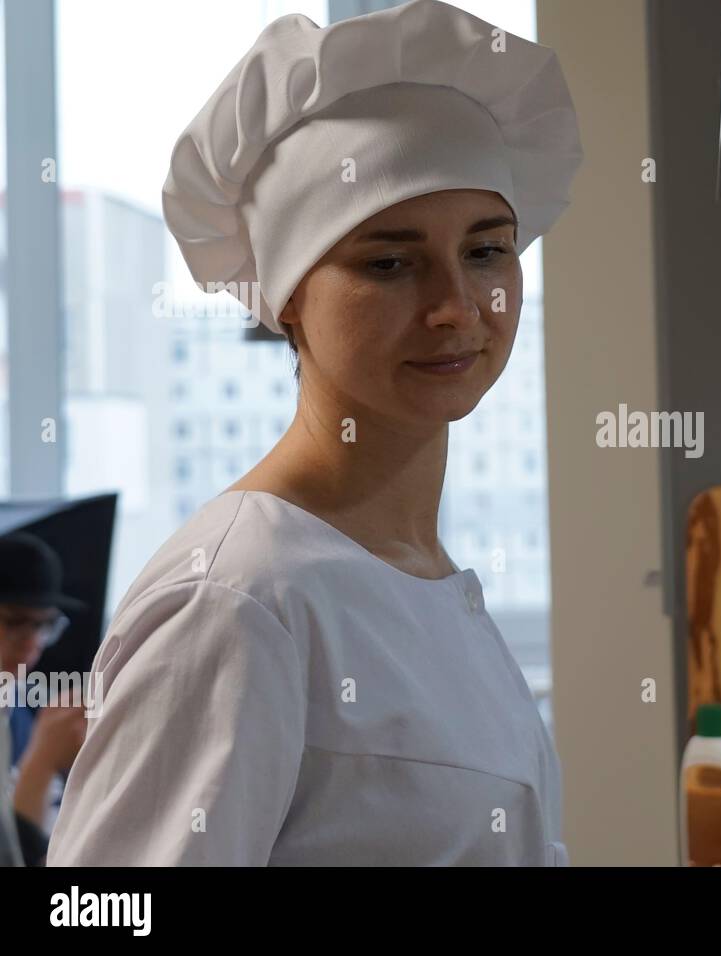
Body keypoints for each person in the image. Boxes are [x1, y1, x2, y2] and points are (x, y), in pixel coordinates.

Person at [47, 0, 582, 866]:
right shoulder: (239, 602)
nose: (456, 308)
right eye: (389, 262)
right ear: (288, 293)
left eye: (487, 252)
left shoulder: (423, 578)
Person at [0, 532, 88, 866]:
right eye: (15, 622)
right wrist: (40, 763)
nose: (31, 642)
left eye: (45, 625)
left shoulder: (24, 709)